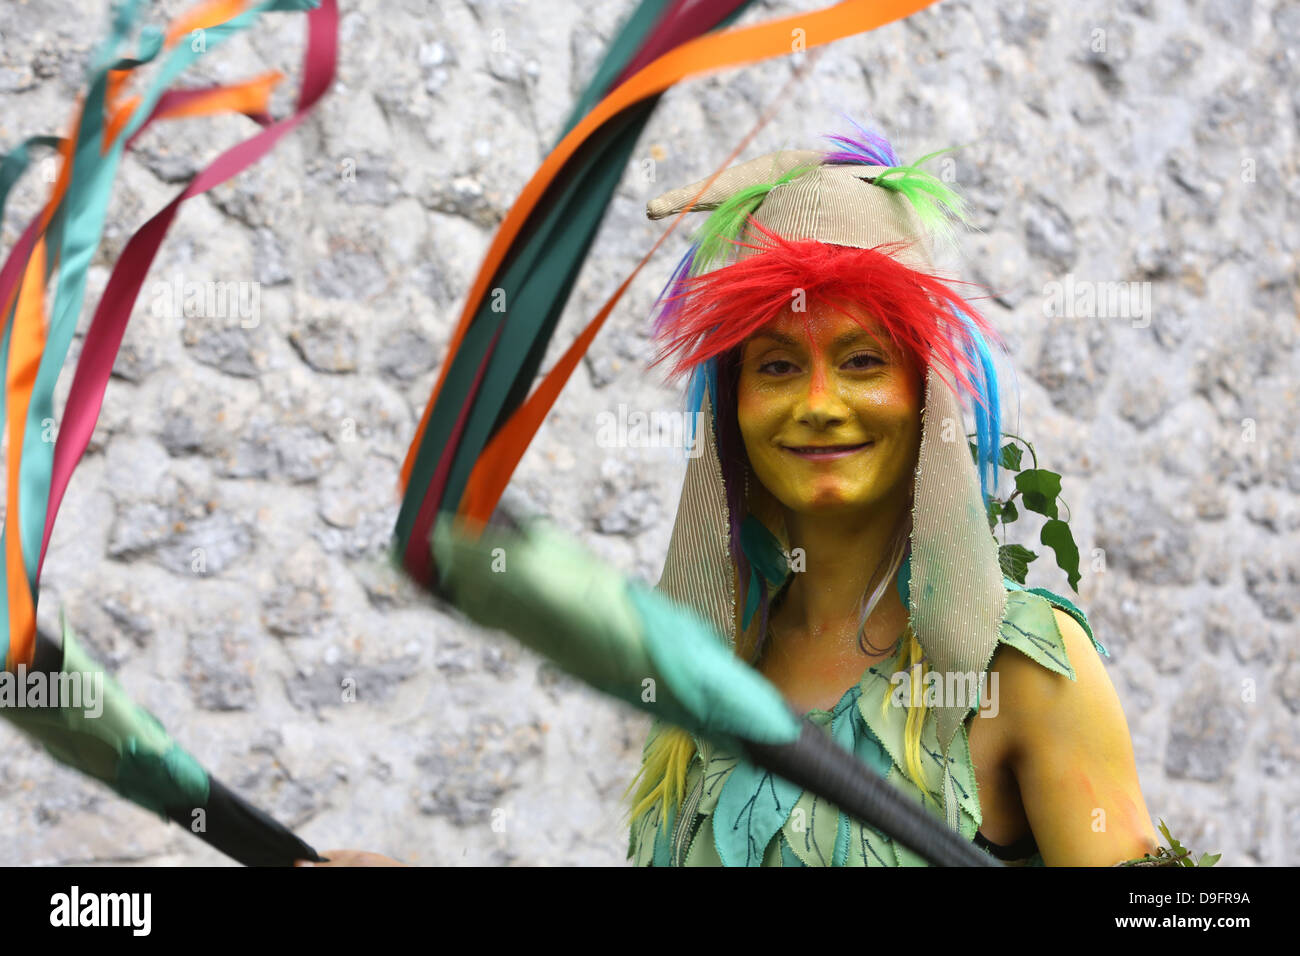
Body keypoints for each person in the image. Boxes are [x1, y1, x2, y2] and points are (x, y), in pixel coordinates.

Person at [309, 122, 1161, 867]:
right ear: (733, 407)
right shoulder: (720, 660)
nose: (819, 404)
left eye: (863, 361)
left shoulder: (1022, 666)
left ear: (928, 393)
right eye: (779, 365)